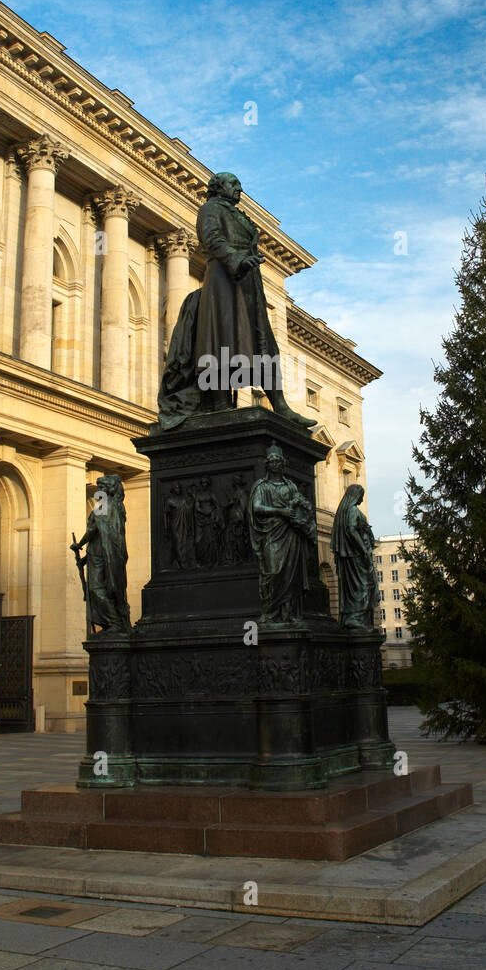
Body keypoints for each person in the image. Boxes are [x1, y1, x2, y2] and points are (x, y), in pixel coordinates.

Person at [156, 172, 314, 429]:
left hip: (248, 283)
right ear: (218, 188)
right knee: (221, 341)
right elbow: (212, 239)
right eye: (234, 184)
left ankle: (281, 405)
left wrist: (245, 263)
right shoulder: (210, 209)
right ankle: (220, 403)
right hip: (224, 281)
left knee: (264, 344)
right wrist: (236, 258)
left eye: (240, 183)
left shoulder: (238, 215)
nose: (240, 188)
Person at [249, 444, 316, 624]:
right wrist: (281, 512)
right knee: (273, 571)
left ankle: (288, 614)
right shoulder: (262, 486)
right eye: (272, 461)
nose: (275, 464)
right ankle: (270, 612)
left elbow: (303, 506)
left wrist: (302, 518)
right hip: (271, 532)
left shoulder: (291, 486)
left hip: (291, 534)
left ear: (283, 463)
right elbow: (256, 507)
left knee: (291, 574)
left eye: (278, 461)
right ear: (267, 464)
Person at [71, 474, 131, 633]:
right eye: (99, 488)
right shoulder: (118, 507)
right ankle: (112, 622)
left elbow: (93, 530)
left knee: (96, 589)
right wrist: (84, 559)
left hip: (100, 554)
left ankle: (114, 622)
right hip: (103, 553)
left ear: (109, 490)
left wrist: (79, 544)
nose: (100, 491)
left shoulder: (104, 506)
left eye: (103, 488)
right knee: (105, 588)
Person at [331, 484, 380, 630]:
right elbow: (352, 529)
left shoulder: (349, 510)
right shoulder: (352, 510)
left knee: (359, 586)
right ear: (355, 495)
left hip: (356, 554)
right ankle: (354, 617)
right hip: (357, 555)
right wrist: (364, 550)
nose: (362, 498)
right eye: (361, 495)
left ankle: (358, 618)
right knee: (362, 586)